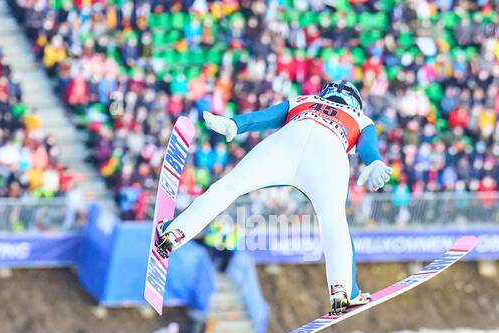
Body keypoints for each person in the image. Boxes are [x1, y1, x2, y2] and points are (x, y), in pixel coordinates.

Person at [155, 81, 393, 314]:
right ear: (356, 102)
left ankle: (173, 234)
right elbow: (368, 146)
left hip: (287, 142)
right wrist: (374, 162)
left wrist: (233, 125)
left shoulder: (307, 100)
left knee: (229, 187)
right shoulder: (361, 118)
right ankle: (342, 292)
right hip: (329, 151)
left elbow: (262, 117)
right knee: (334, 221)